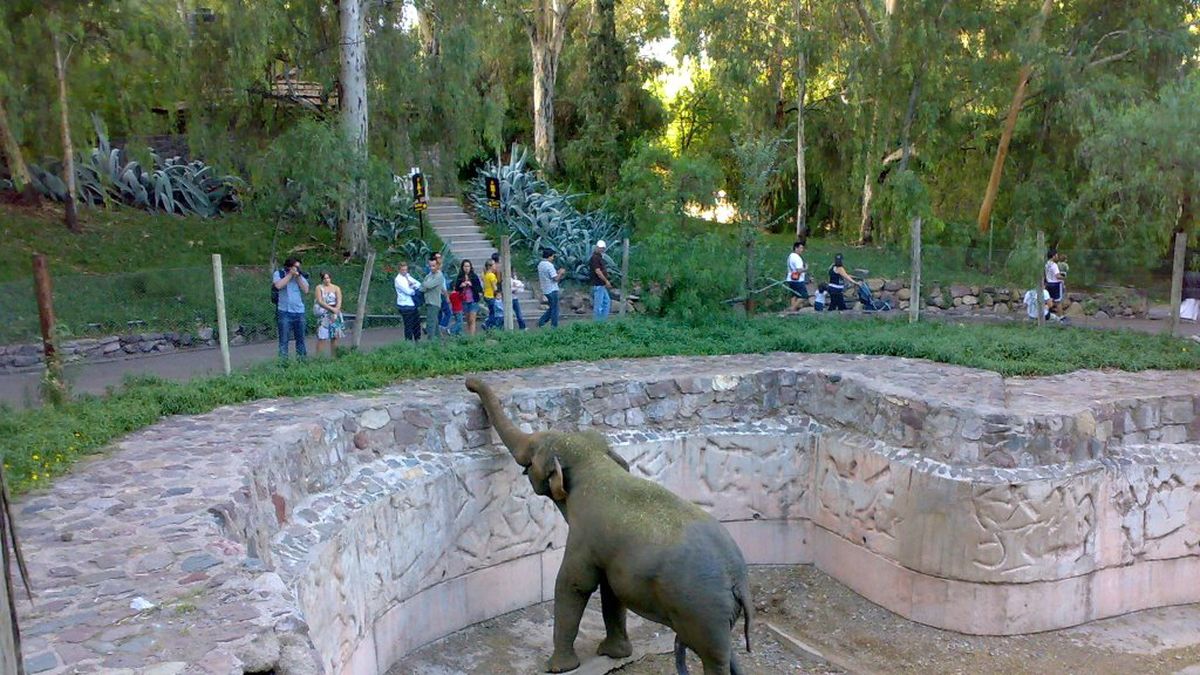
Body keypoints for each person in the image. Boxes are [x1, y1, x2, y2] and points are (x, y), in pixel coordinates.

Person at [272, 257, 310, 359]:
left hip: (299, 312)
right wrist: (290, 275)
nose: (297, 269)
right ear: (289, 267)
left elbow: (306, 290)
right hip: (284, 311)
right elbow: (278, 286)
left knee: (301, 339)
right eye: (295, 267)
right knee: (284, 340)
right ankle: (283, 363)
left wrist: (297, 277)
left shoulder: (301, 276)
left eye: (298, 267)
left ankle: (302, 361)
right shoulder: (279, 274)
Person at [491, 252, 528, 330]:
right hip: (509, 295)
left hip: (504, 294)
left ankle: (499, 327)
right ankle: (521, 327)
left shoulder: (494, 269)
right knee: (517, 312)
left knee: (501, 313)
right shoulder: (499, 269)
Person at [313, 271, 345, 358]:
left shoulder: (336, 288)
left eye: (328, 278)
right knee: (322, 337)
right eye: (324, 278)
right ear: (322, 279)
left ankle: (334, 357)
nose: (327, 280)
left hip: (334, 314)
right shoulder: (319, 288)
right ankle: (319, 358)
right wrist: (331, 309)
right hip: (324, 313)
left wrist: (336, 310)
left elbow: (339, 300)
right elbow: (320, 301)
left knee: (335, 336)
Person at [537, 248, 567, 329]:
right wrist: (560, 273)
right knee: (555, 310)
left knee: (552, 308)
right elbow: (556, 278)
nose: (553, 258)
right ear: (549, 256)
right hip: (552, 289)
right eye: (553, 256)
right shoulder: (549, 265)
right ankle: (554, 326)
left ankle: (542, 321)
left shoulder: (540, 264)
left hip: (545, 289)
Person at [454, 259, 484, 336]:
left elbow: (479, 289)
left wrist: (471, 285)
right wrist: (461, 285)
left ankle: (472, 337)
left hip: (473, 300)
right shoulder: (460, 277)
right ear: (462, 267)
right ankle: (469, 335)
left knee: (472, 319)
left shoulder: (474, 276)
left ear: (471, 267)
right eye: (465, 266)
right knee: (468, 320)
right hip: (464, 300)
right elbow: (456, 288)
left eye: (468, 266)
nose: (467, 268)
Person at [394, 261, 421, 342]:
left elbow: (419, 284)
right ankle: (408, 342)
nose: (404, 271)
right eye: (403, 270)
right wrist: (413, 287)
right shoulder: (398, 280)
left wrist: (412, 285)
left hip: (412, 304)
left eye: (406, 270)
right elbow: (408, 291)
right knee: (408, 325)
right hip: (405, 305)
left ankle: (417, 340)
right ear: (399, 270)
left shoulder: (407, 276)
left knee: (416, 324)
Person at [422, 254, 447, 341]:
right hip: (429, 301)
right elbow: (423, 287)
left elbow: (427, 285)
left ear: (437, 265)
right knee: (435, 324)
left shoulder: (439, 276)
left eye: (433, 266)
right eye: (430, 266)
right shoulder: (429, 275)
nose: (431, 268)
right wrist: (425, 284)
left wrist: (425, 284)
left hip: (434, 302)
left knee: (431, 323)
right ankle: (440, 341)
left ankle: (430, 342)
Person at [590, 240, 614, 321]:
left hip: (601, 285)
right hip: (598, 284)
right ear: (596, 247)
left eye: (603, 248)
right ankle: (597, 323)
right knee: (598, 305)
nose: (601, 250)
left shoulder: (600, 257)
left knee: (606, 302)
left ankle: (603, 321)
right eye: (600, 248)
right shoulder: (595, 258)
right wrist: (606, 281)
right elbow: (598, 271)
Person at [786, 240, 809, 312]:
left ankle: (793, 309)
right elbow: (799, 270)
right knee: (804, 295)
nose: (802, 250)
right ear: (796, 248)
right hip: (798, 280)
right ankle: (793, 308)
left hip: (790, 278)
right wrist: (806, 269)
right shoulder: (797, 258)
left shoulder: (791, 256)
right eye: (801, 248)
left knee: (794, 295)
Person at [1045, 248, 1065, 317]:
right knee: (1058, 302)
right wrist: (1064, 277)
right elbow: (1057, 276)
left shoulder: (1046, 264)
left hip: (1048, 283)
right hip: (1056, 284)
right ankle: (1061, 317)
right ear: (1053, 256)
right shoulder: (1054, 265)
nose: (1057, 256)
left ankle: (1046, 315)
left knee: (1049, 300)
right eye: (1056, 255)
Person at [482, 259, 500, 329]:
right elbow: (494, 287)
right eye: (494, 264)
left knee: (491, 312)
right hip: (491, 296)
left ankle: (490, 325)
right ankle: (487, 323)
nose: (495, 266)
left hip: (486, 295)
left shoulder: (486, 275)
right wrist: (498, 293)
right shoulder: (492, 275)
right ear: (490, 266)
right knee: (493, 313)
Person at [1182, 257, 1200, 322]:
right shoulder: (1198, 275)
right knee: (1195, 305)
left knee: (1189, 304)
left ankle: (1187, 315)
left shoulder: (1186, 274)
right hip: (1197, 292)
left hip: (1188, 292)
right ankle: (1193, 317)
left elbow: (1184, 283)